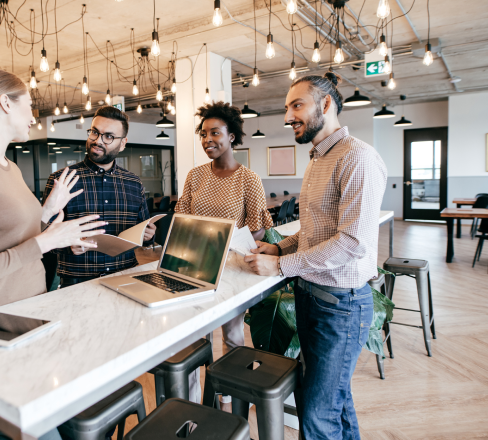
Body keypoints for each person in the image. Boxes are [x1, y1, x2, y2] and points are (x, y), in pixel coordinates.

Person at [0, 68, 106, 440]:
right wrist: (45, 242)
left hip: (30, 313)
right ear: (5, 103)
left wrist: (50, 223)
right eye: (29, 106)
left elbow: (7, 235)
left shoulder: (6, 165)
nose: (33, 116)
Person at [244, 72, 387, 440]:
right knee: (332, 403)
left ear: (325, 104)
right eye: (287, 107)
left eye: (296, 105)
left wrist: (280, 265)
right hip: (314, 300)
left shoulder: (358, 158)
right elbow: (312, 233)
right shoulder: (317, 158)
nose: (288, 116)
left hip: (340, 307)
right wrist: (279, 247)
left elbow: (351, 243)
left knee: (317, 415)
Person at [174, 101, 274, 405]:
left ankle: (230, 393)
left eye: (215, 133)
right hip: (194, 267)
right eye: (203, 134)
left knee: (232, 336)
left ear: (232, 136)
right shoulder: (195, 176)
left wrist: (225, 240)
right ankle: (192, 401)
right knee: (194, 338)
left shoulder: (248, 179)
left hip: (232, 268)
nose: (207, 140)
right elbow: (182, 218)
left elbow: (258, 228)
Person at [43, 106, 155, 287]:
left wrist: (148, 236)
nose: (98, 141)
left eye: (108, 136)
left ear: (123, 143)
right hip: (77, 283)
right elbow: (43, 235)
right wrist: (68, 246)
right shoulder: (61, 180)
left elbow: (141, 234)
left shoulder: (134, 183)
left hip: (125, 277)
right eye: (94, 132)